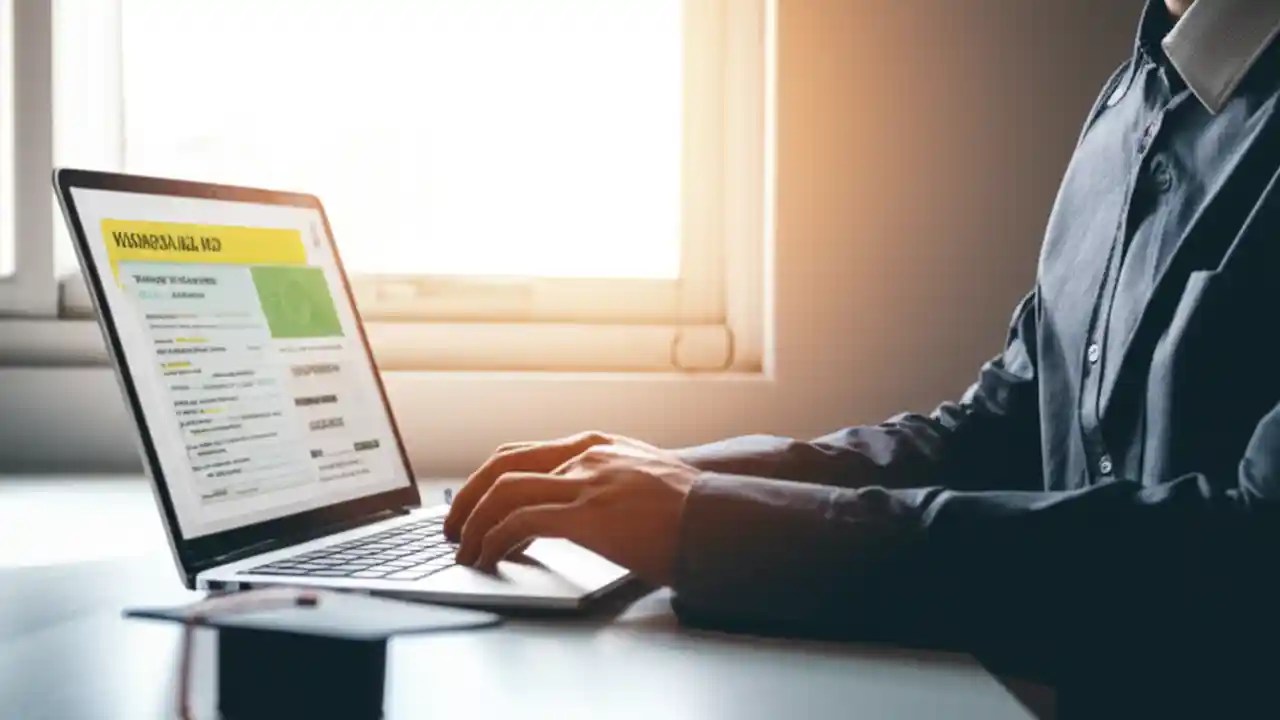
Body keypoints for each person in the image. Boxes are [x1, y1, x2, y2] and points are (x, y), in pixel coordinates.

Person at [446, 0, 1280, 714]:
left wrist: (713, 523)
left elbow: (1242, 554)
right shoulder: (1129, 104)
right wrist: (673, 481)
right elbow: (1002, 430)